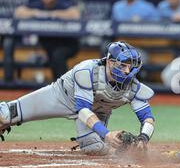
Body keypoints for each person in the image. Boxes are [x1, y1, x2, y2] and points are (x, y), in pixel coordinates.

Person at [0, 41, 155, 155]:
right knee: (5, 115)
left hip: (96, 112)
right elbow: (82, 110)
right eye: (122, 65)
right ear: (109, 62)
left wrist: (143, 138)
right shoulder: (87, 71)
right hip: (61, 97)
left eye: (131, 66)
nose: (127, 71)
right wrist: (107, 134)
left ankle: (124, 147)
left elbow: (148, 118)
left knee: (96, 148)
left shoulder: (134, 86)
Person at [14, 0, 81, 79]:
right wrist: (37, 13)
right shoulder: (38, 5)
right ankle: (58, 87)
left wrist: (52, 14)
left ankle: (65, 87)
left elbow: (75, 14)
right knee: (53, 57)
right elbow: (18, 12)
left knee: (57, 55)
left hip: (68, 44)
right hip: (49, 47)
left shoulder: (61, 4)